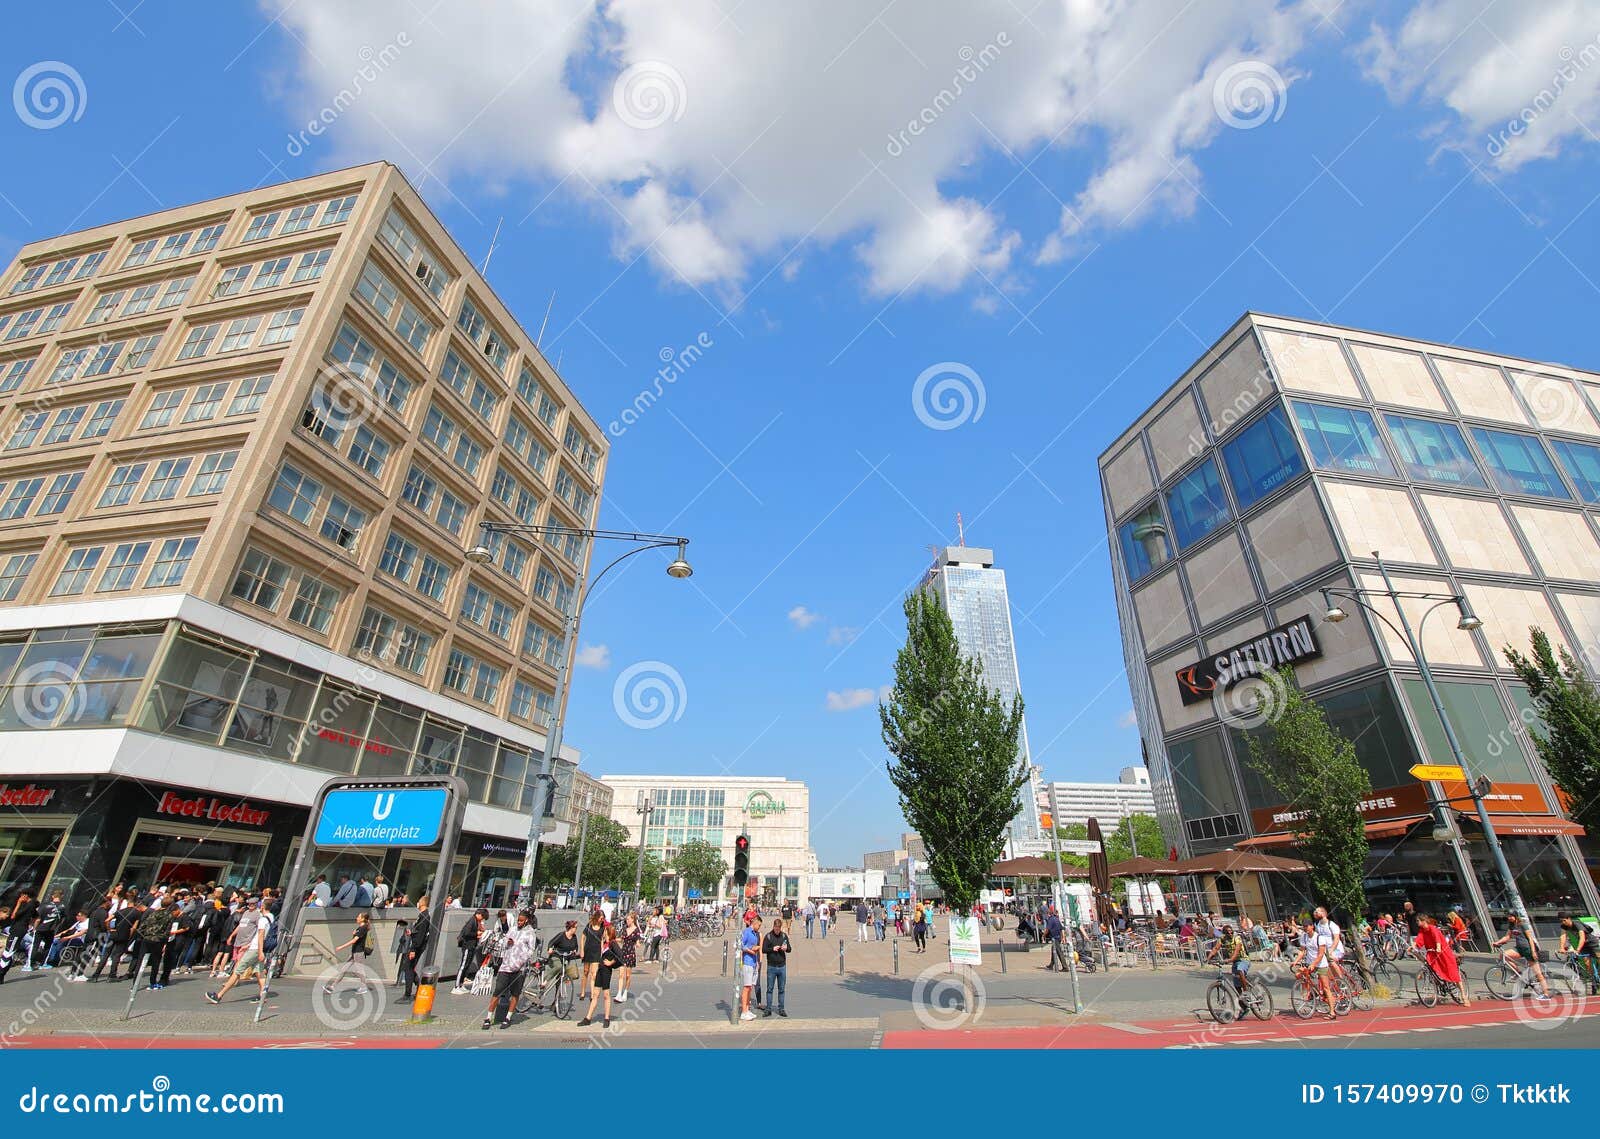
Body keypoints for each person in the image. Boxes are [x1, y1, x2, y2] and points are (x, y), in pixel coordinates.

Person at [205, 897, 271, 1005]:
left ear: (261, 906)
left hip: (254, 949)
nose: (251, 905)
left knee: (237, 971)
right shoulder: (268, 918)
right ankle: (263, 995)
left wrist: (258, 950)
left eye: (254, 904)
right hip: (254, 948)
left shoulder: (262, 918)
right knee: (260, 973)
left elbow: (260, 936)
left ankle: (219, 995)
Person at [484, 910, 538, 1029]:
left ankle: (508, 1017)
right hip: (506, 965)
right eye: (518, 920)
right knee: (498, 990)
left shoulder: (530, 933)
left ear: (526, 920)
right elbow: (503, 940)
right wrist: (506, 942)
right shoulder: (513, 929)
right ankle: (488, 1017)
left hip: (519, 968)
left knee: (515, 993)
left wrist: (521, 960)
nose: (519, 922)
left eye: (521, 921)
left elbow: (531, 950)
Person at [1414, 913, 1469, 1005]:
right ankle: (1436, 987)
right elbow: (1419, 940)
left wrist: (1438, 947)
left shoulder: (1432, 928)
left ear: (1423, 921)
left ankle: (1464, 996)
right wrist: (1413, 947)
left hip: (1443, 953)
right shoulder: (1422, 931)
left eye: (1418, 921)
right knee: (1430, 967)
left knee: (1453, 973)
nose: (1417, 922)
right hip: (1432, 953)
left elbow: (1437, 938)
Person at [1493, 913, 1550, 999]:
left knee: (1538, 974)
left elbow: (1530, 938)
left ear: (1515, 916)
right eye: (1508, 916)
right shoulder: (1512, 926)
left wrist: (1533, 951)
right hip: (1519, 949)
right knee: (1503, 955)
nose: (1509, 918)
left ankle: (1546, 994)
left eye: (1511, 916)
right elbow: (1507, 937)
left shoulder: (1522, 925)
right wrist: (1497, 942)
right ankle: (1518, 973)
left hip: (1528, 949)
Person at [578, 921, 622, 1028]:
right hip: (600, 970)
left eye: (605, 932)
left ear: (609, 933)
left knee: (606, 995)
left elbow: (621, 956)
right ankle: (588, 1018)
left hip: (606, 971)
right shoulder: (604, 943)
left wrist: (611, 962)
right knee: (595, 995)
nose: (603, 933)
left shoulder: (612, 943)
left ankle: (606, 1018)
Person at [323, 911, 375, 992]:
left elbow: (354, 941)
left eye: (358, 917)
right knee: (344, 969)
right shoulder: (360, 928)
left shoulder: (362, 928)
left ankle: (364, 987)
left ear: (363, 919)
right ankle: (332, 987)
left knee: (360, 970)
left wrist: (341, 947)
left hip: (358, 953)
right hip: (354, 952)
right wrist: (354, 933)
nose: (357, 918)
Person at [1557, 913, 1599, 995]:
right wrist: (1561, 947)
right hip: (1584, 946)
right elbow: (1563, 936)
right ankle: (1594, 983)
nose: (1563, 922)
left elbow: (1582, 937)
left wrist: (1578, 949)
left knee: (1599, 958)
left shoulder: (1577, 924)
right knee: (1587, 964)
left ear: (1569, 918)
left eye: (1564, 920)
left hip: (1592, 943)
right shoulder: (1564, 926)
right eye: (1561, 921)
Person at [401, 895, 433, 1001]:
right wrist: (411, 933)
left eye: (419, 900)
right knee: (408, 967)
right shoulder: (422, 915)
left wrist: (413, 949)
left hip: (416, 946)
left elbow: (421, 935)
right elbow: (418, 932)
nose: (417, 903)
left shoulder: (424, 916)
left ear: (423, 903)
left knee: (408, 967)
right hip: (415, 944)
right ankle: (418, 987)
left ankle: (408, 992)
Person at [452, 908, 488, 994]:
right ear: (479, 914)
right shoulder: (472, 921)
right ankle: (456, 986)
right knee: (463, 965)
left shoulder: (475, 921)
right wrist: (477, 934)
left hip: (471, 945)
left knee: (466, 965)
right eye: (482, 917)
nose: (482, 919)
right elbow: (466, 933)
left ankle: (460, 984)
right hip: (467, 945)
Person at [762, 916, 791, 1017]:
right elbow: (764, 949)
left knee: (781, 989)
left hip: (782, 966)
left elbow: (789, 949)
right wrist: (772, 949)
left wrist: (785, 948)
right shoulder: (768, 936)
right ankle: (768, 1009)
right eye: (776, 929)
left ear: (781, 928)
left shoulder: (784, 936)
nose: (777, 931)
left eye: (779, 929)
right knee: (770, 988)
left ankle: (781, 1008)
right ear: (773, 927)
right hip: (772, 966)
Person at [739, 914, 762, 1022]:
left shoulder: (755, 933)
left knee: (750, 987)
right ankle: (744, 1011)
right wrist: (750, 950)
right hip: (747, 962)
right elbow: (740, 945)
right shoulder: (747, 932)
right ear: (755, 923)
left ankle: (747, 1009)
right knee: (746, 987)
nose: (759, 928)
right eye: (759, 925)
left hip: (753, 962)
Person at [579, 909, 606, 1001]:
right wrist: (582, 950)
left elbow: (602, 940)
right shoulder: (589, 925)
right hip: (588, 950)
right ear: (597, 917)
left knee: (594, 974)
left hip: (597, 952)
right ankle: (583, 992)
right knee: (586, 972)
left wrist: (602, 952)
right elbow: (583, 937)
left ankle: (592, 994)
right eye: (601, 918)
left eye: (603, 918)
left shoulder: (603, 928)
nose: (602, 920)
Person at [615, 911, 641, 1002]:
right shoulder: (625, 929)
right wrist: (613, 939)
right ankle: (619, 993)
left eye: (628, 919)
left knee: (628, 975)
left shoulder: (636, 930)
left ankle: (625, 992)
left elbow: (638, 941)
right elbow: (621, 939)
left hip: (630, 953)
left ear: (633, 920)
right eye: (626, 919)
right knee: (621, 974)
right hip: (623, 952)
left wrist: (638, 944)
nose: (627, 921)